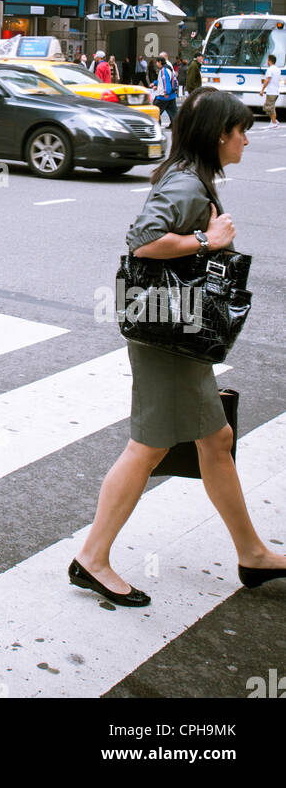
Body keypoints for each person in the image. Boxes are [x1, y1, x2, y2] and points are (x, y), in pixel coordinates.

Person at [71, 87, 286, 605]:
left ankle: (252, 553)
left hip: (177, 329)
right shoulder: (188, 183)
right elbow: (143, 241)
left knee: (216, 440)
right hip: (168, 334)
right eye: (241, 131)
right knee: (148, 447)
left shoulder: (191, 177)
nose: (246, 140)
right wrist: (209, 240)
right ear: (218, 135)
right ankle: (92, 558)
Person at [152, 54, 178, 125]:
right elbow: (163, 81)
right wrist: (155, 84)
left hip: (163, 96)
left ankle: (156, 125)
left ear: (160, 62)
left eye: (157, 62)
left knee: (155, 111)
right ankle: (176, 125)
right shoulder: (169, 68)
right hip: (171, 96)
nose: (156, 64)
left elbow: (166, 82)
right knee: (173, 113)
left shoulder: (163, 70)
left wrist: (166, 93)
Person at [261, 54, 281, 126]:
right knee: (271, 107)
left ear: (270, 61)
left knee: (268, 108)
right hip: (276, 91)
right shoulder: (278, 69)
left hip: (271, 92)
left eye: (267, 60)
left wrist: (262, 90)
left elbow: (267, 80)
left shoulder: (270, 69)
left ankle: (274, 122)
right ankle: (274, 121)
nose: (267, 61)